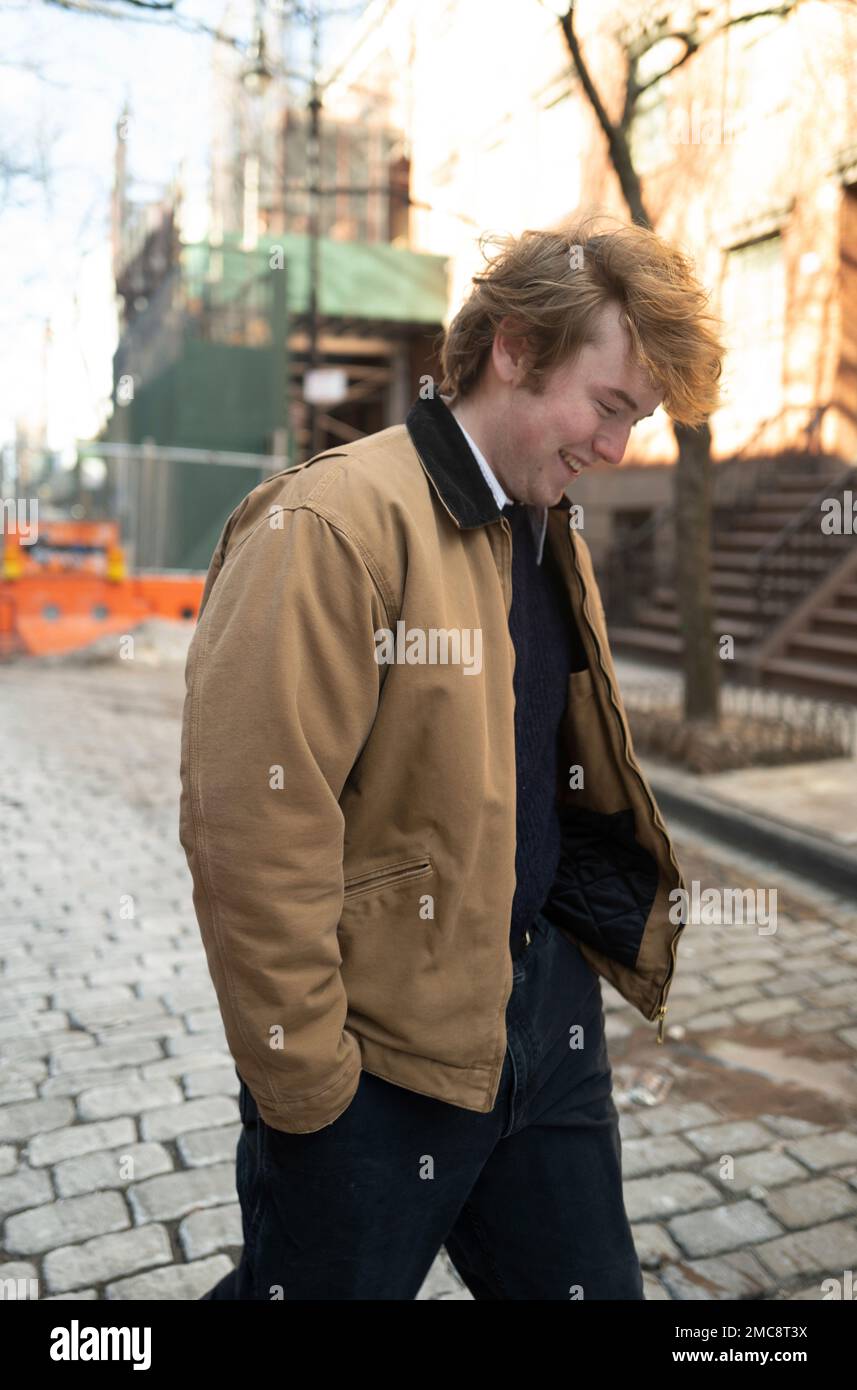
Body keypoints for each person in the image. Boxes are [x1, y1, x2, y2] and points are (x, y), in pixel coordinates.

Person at [179, 216, 724, 1300]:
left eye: (638, 420)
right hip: (378, 1064)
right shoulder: (331, 525)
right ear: (513, 348)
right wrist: (310, 1088)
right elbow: (250, 826)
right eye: (609, 407)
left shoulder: (545, 519)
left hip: (545, 1031)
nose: (616, 447)